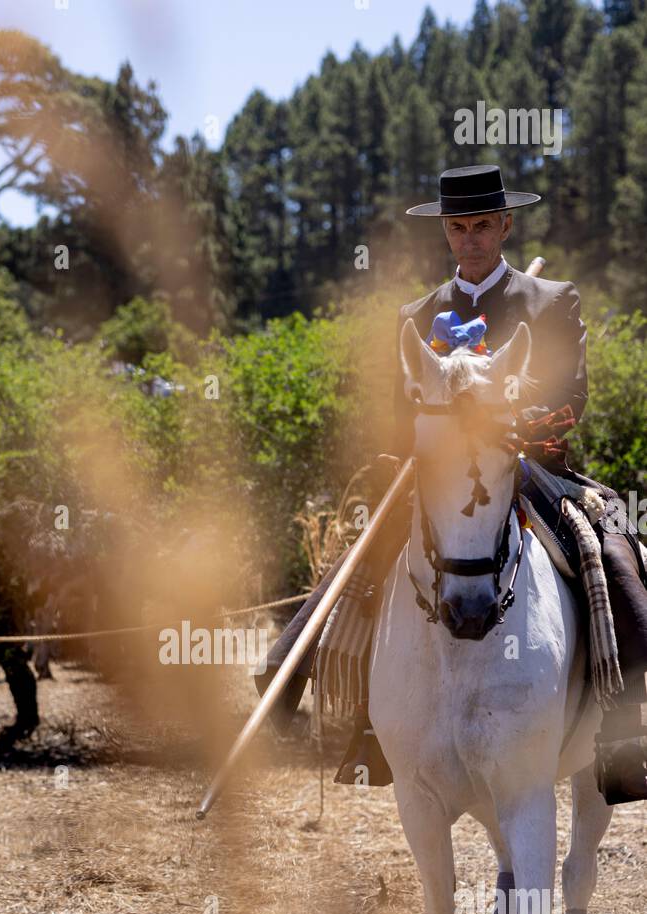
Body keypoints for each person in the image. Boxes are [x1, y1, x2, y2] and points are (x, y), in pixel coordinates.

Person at [257, 164, 647, 804]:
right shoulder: (418, 315)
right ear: (446, 232)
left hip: (533, 466)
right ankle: (347, 712)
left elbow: (572, 398)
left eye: (483, 225)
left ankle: (625, 733)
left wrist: (502, 417)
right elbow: (393, 414)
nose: (471, 238)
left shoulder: (552, 302)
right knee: (360, 565)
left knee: (608, 550)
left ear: (505, 226)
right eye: (459, 227)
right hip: (436, 476)